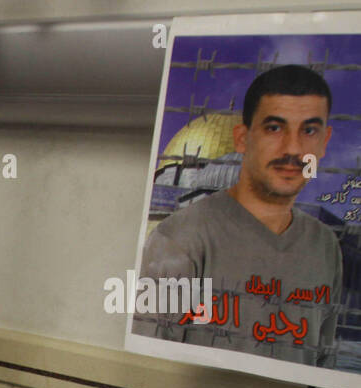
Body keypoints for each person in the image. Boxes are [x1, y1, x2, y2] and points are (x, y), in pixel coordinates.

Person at [139, 65, 342, 368]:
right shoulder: (181, 237)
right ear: (242, 139)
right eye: (274, 128)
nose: (293, 148)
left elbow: (322, 361)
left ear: (325, 142)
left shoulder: (325, 245)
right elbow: (151, 369)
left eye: (309, 131)